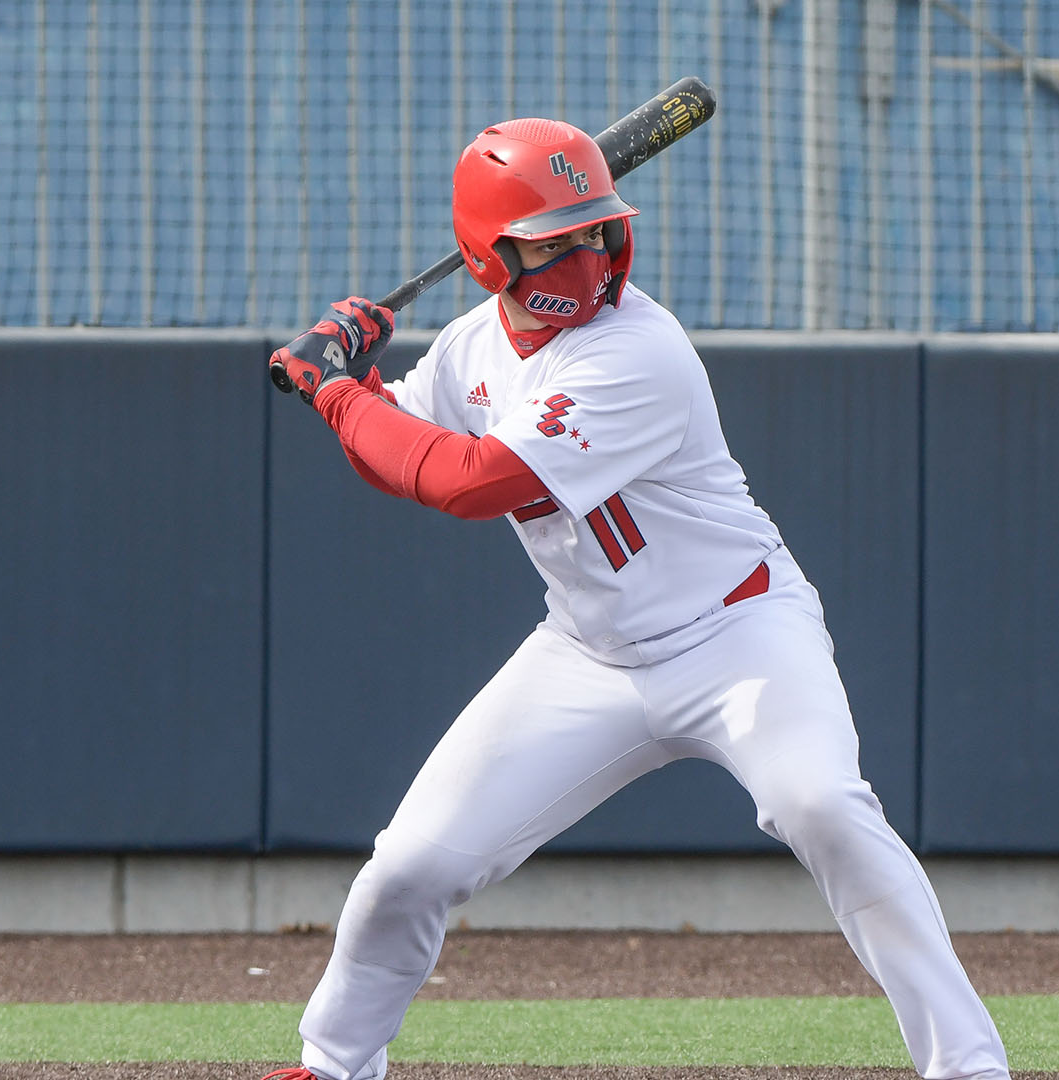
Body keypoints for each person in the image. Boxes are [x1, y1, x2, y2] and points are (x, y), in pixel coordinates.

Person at [259, 117, 1010, 1080]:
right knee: (411, 866)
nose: (585, 254)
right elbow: (395, 448)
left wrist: (335, 394)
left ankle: (970, 1069)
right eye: (555, 238)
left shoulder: (639, 350)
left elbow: (468, 482)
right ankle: (335, 1064)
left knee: (822, 803)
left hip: (740, 635)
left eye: (594, 229)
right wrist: (355, 382)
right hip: (586, 656)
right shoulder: (467, 349)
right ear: (492, 257)